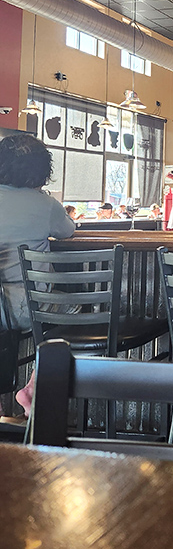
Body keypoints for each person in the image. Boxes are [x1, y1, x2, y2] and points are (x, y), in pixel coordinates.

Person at [0, 134, 76, 420]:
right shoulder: (45, 205)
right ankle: (33, 385)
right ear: (42, 170)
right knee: (78, 317)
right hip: (31, 307)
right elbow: (68, 231)